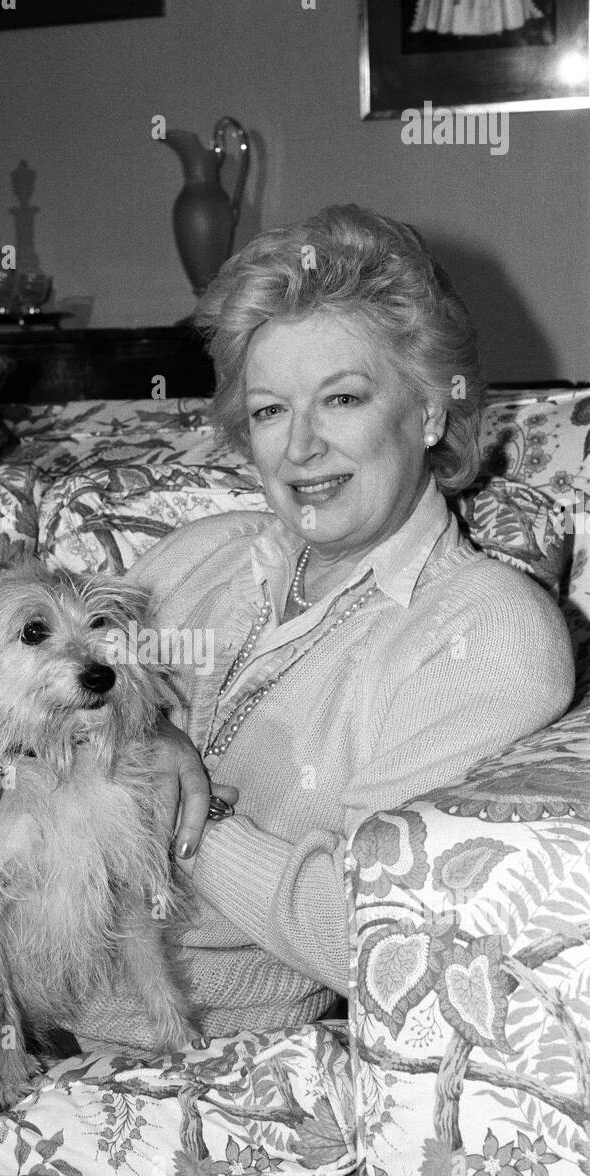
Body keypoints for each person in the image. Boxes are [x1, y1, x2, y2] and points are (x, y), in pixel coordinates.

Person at [74, 203, 574, 1047]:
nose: (299, 447)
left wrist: (183, 808)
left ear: (426, 413)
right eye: (270, 411)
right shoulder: (205, 554)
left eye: (340, 398)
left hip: (138, 1022)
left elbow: (378, 935)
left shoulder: (487, 633)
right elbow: (10, 722)